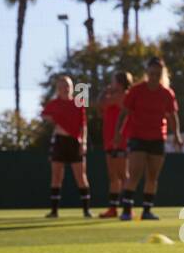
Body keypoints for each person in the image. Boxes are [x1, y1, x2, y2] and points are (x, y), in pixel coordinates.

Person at [114, 56, 182, 221]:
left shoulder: (167, 93)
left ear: (162, 74)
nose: (154, 77)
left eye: (157, 74)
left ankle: (147, 210)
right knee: (135, 174)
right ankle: (126, 210)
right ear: (147, 73)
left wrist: (177, 135)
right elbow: (124, 113)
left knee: (152, 176)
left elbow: (173, 116)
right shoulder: (136, 91)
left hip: (158, 138)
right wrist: (118, 133)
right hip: (137, 137)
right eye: (151, 73)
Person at [40, 75, 91, 218]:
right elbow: (43, 115)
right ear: (57, 89)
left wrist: (84, 142)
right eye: (62, 86)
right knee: (56, 176)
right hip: (59, 142)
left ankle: (86, 210)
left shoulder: (79, 103)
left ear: (72, 88)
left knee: (81, 176)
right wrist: (53, 120)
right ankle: (54, 211)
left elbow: (83, 125)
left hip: (75, 142)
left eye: (67, 86)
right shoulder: (53, 104)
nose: (65, 89)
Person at [97, 71, 132, 218]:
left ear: (120, 83)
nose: (111, 83)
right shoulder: (113, 96)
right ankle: (113, 208)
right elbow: (100, 110)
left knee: (123, 175)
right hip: (109, 141)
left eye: (113, 81)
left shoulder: (123, 95)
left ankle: (127, 208)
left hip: (120, 140)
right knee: (113, 176)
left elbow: (100, 103)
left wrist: (104, 91)